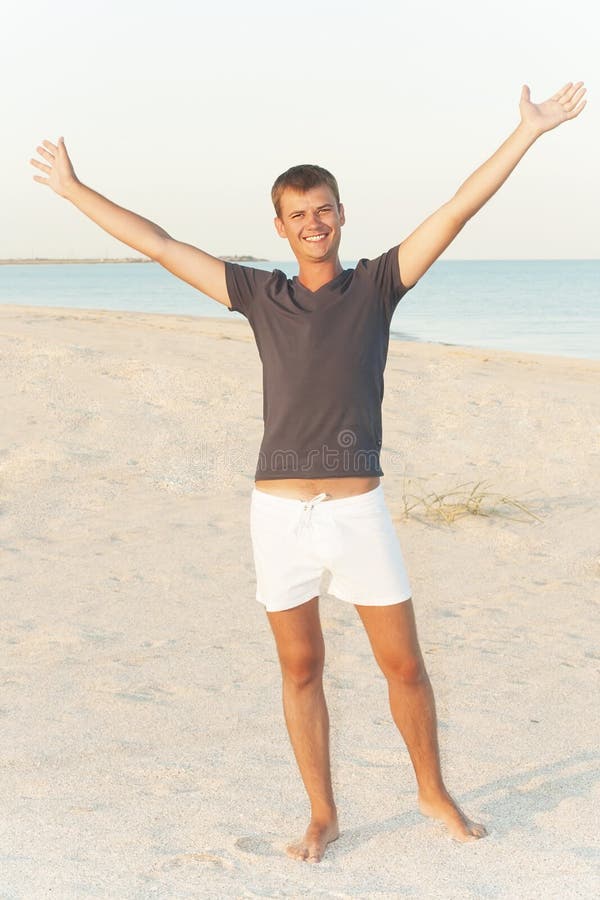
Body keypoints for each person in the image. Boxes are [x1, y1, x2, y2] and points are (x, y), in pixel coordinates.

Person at [30, 81, 586, 863]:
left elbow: (457, 210)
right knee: (300, 667)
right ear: (282, 227)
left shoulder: (377, 286)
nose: (314, 223)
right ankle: (321, 814)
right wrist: (74, 189)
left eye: (324, 208)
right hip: (279, 515)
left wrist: (526, 132)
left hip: (358, 512)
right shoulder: (260, 295)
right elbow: (158, 244)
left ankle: (431, 790)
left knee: (405, 666)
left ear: (341, 214)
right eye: (299, 214)